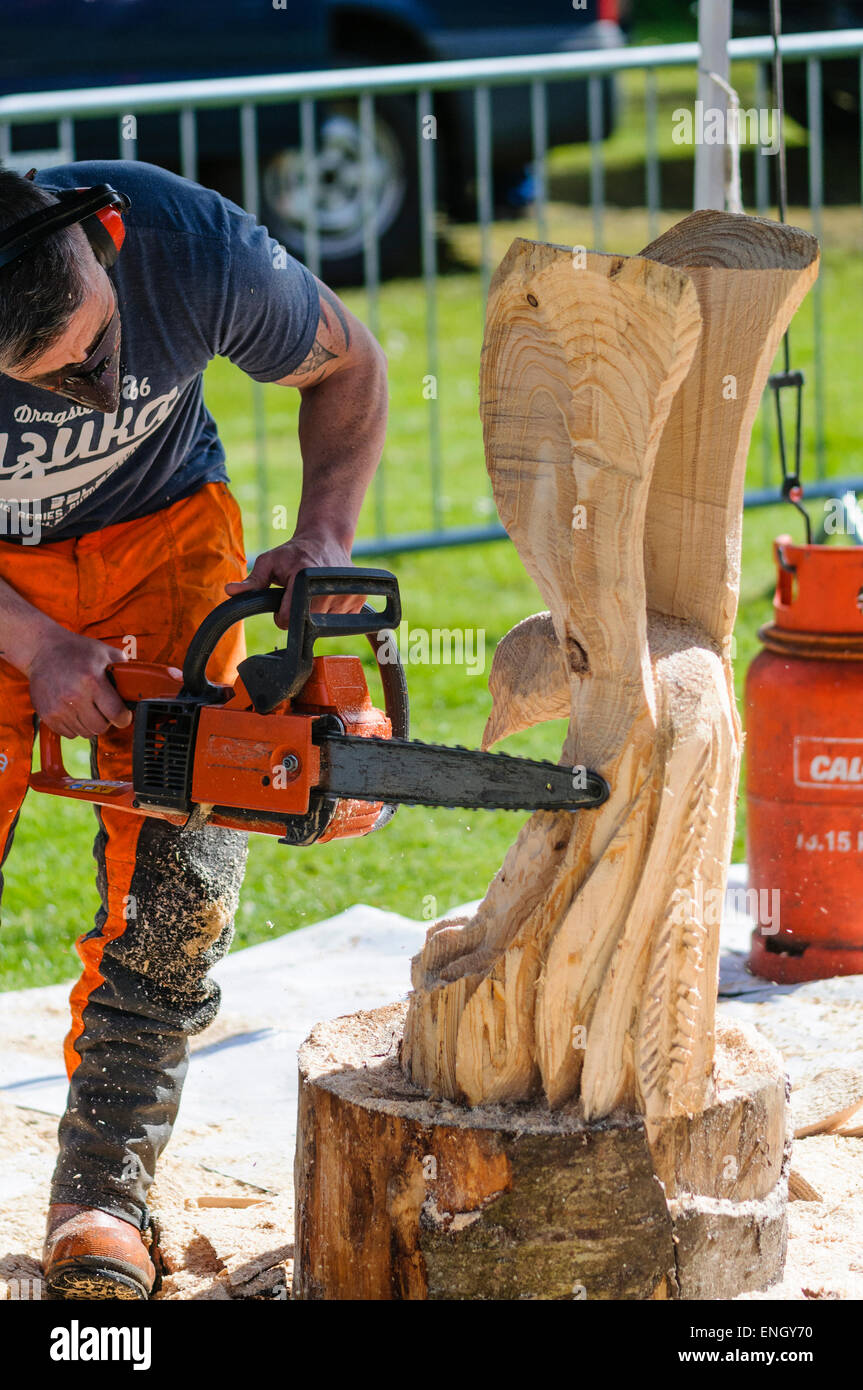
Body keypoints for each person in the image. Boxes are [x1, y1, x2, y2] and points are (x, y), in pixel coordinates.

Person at [0, 159, 387, 1299]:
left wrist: (320, 533)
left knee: (181, 874)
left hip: (162, 540)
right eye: (54, 375)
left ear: (109, 239)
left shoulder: (194, 245)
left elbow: (352, 365)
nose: (99, 378)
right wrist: (33, 645)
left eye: (100, 339)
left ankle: (102, 1193)